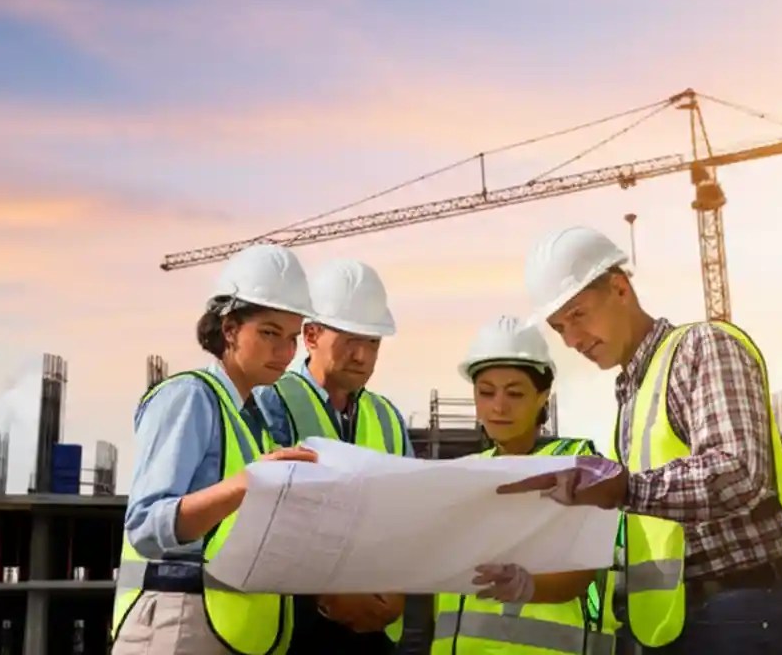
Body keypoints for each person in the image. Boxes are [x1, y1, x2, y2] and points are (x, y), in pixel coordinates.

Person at [496, 225, 782, 654]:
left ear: (619, 289)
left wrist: (625, 487)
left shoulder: (702, 347)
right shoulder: (633, 394)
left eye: (578, 315)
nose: (573, 340)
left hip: (742, 613)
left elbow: (737, 471)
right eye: (559, 327)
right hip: (682, 621)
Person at [111, 244, 321, 655]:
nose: (285, 352)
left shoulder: (253, 420)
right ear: (228, 329)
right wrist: (247, 484)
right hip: (178, 624)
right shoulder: (189, 396)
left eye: (292, 337)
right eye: (269, 333)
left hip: (231, 628)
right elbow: (146, 525)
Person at [250, 258, 412, 655]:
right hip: (295, 625)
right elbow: (258, 517)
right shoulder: (269, 402)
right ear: (311, 336)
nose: (361, 355)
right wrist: (326, 596)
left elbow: (408, 518)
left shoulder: (387, 417)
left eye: (372, 342)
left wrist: (395, 592)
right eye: (350, 340)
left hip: (373, 628)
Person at [432, 315, 615, 655]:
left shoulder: (576, 463)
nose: (498, 407)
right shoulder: (461, 475)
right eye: (486, 393)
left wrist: (528, 587)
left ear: (543, 396)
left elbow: (585, 571)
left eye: (515, 393)